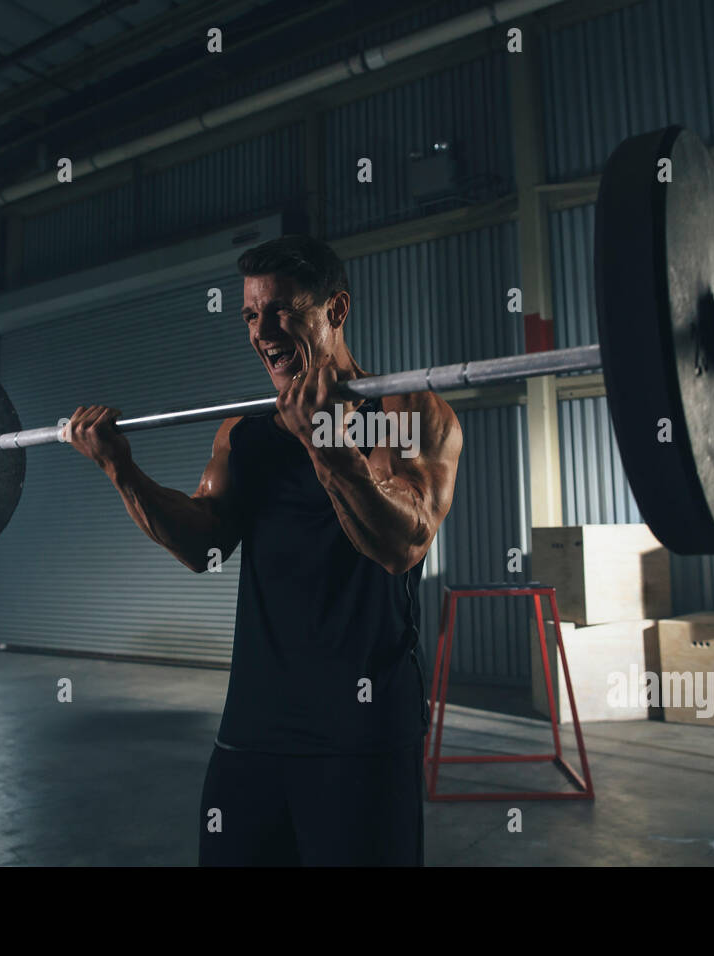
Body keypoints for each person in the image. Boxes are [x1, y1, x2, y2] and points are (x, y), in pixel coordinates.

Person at [68, 235, 463, 866]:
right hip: (254, 726)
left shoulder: (405, 411)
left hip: (361, 732)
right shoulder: (245, 432)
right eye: (251, 315)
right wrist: (122, 471)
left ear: (336, 310)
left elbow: (403, 544)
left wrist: (328, 445)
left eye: (282, 310)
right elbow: (203, 544)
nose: (263, 331)